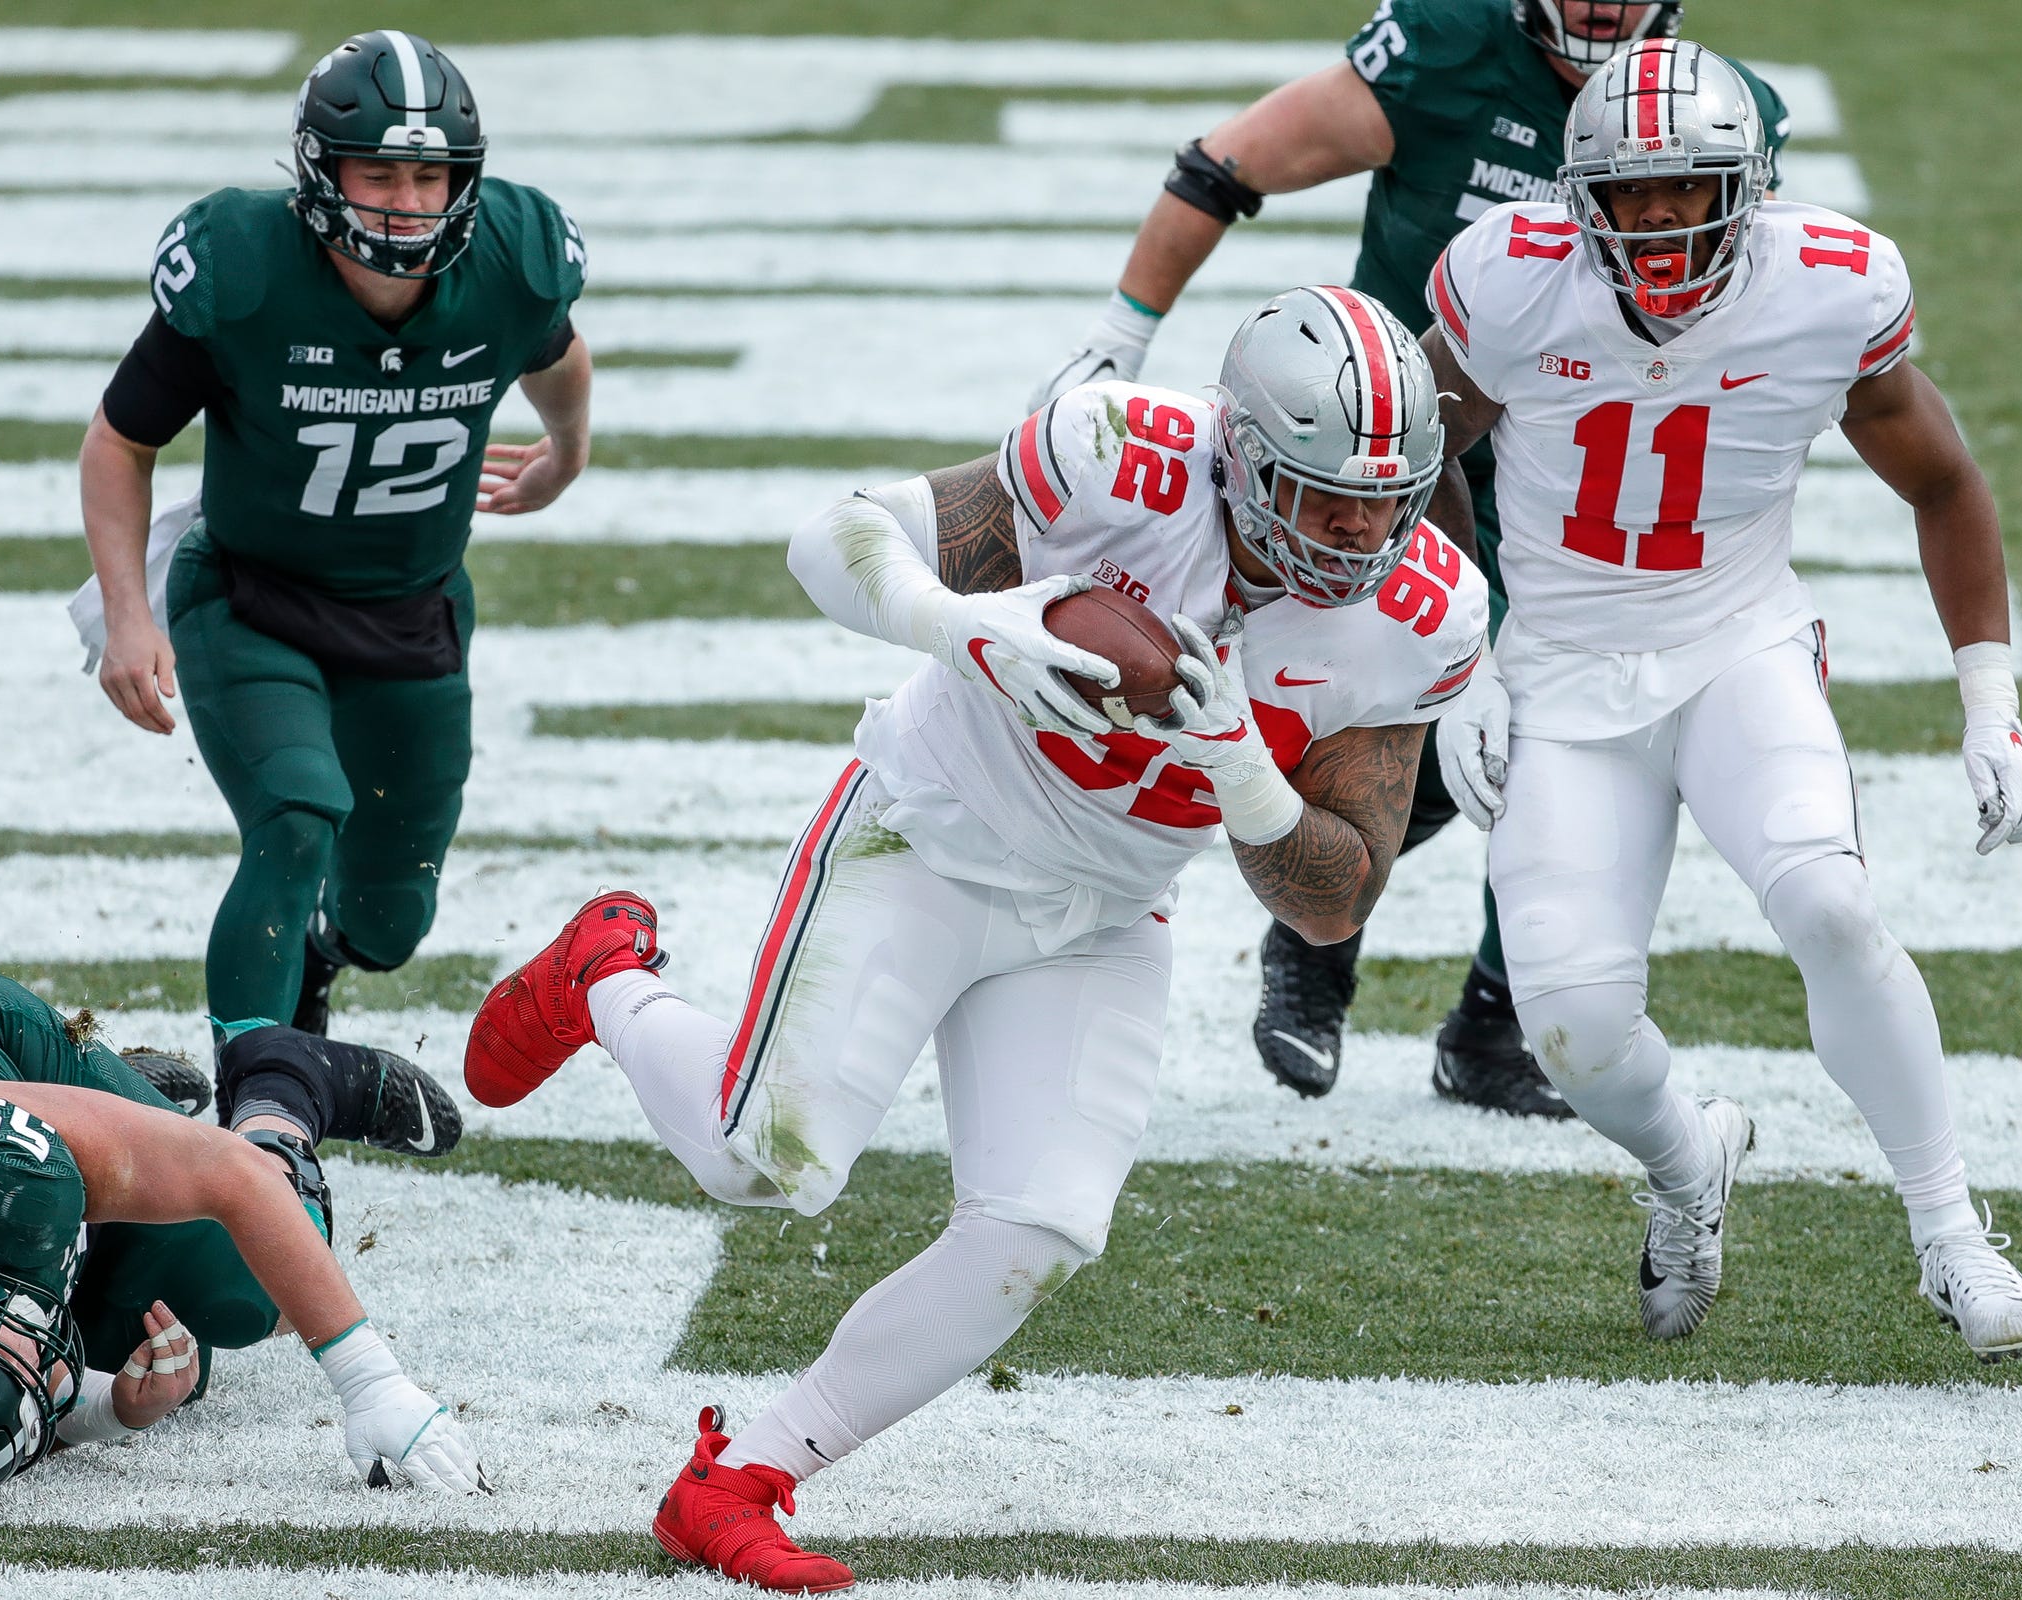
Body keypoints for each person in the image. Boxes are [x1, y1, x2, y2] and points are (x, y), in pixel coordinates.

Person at [469, 286, 1487, 1592]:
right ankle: (604, 978)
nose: (1357, 531)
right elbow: (833, 536)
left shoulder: (1422, 610)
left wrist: (1248, 781)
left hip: (1108, 907)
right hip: (933, 830)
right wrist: (970, 628)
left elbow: (1333, 897)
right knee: (764, 1162)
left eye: (1384, 498)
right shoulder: (1122, 454)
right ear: (1240, 453)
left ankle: (741, 1480)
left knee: (1041, 1223)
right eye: (1321, 494)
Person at [1036, 0, 1790, 1117]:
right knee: (1409, 720)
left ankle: (1484, 1014)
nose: (1595, 9)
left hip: (1580, 481)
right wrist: (1122, 331)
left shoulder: (1722, 112)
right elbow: (1222, 165)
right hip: (1378, 476)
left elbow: (1745, 304)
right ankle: (1321, 932)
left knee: (1583, 740)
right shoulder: (1446, 51)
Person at [1426, 39, 2022, 1357]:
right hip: (1560, 668)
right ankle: (1687, 1163)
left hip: (1735, 642)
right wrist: (1462, 653)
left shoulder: (1829, 286)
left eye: (1686, 189)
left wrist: (1988, 703)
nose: (1655, 220)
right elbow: (1422, 450)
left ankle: (1950, 1235)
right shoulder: (1511, 278)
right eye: (1628, 193)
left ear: (1748, 186)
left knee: (1828, 899)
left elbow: (1943, 483)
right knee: (1575, 1032)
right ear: (1574, 195)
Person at [79, 29, 591, 1048]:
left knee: (391, 919)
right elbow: (120, 440)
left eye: (427, 175)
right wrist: (129, 614)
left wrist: (567, 449)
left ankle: (320, 951)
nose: (406, 200)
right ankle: (261, 1114)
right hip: (252, 599)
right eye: (379, 172)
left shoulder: (511, 263)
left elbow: (558, 351)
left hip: (417, 607)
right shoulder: (246, 267)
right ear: (320, 173)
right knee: (297, 815)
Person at [0, 963, 481, 1509]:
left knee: (246, 1298)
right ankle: (128, 1104)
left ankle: (285, 1084)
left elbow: (229, 1175)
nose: (38, 1364)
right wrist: (110, 1412)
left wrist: (370, 1382)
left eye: (3, 1356)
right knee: (166, 1356)